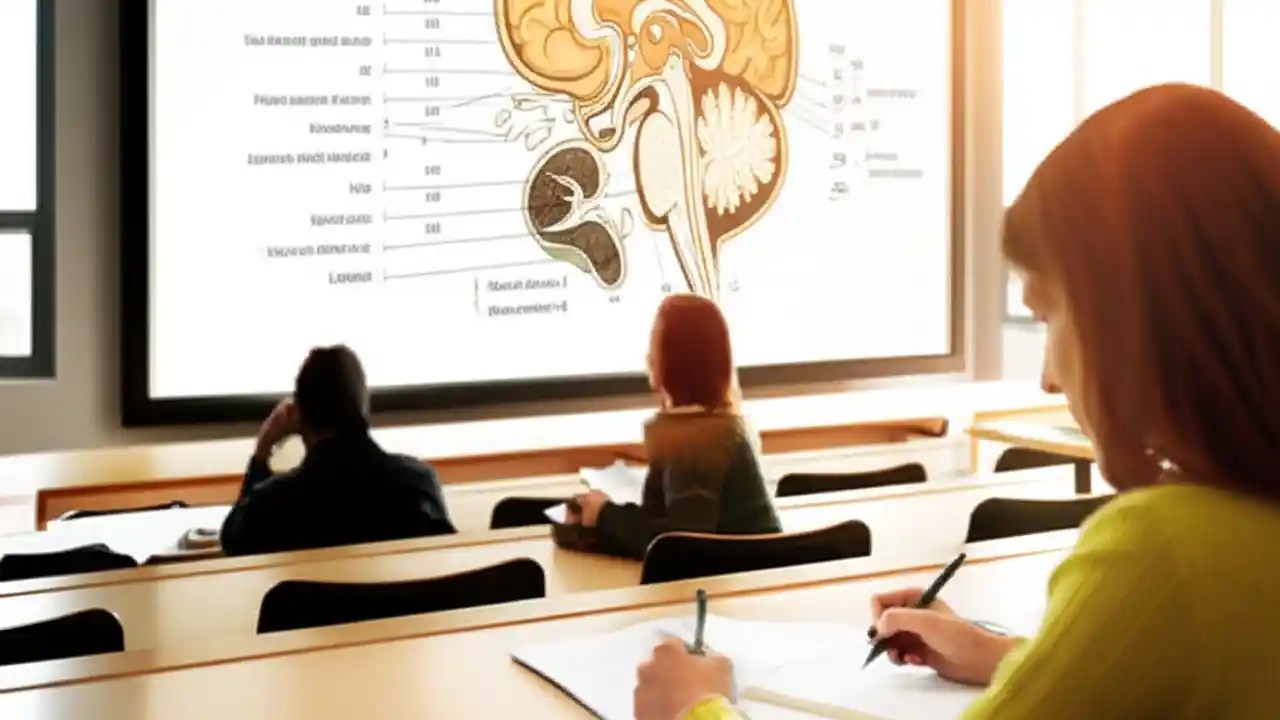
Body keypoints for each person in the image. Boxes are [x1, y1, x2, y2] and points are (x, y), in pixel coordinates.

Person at [633, 84, 1280, 719]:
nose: (1049, 378)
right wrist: (1010, 657)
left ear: (1133, 320)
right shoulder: (1247, 532)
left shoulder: (1162, 552)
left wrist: (693, 708)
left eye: (1048, 316)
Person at [564, 294, 781, 559]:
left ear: (667, 362)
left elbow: (683, 544)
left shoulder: (696, 441)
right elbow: (663, 524)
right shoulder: (719, 427)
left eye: (654, 346)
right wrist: (604, 518)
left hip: (740, 576)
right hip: (749, 571)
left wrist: (605, 514)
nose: (648, 356)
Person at [220, 345, 456, 556]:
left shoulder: (272, 503)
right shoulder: (417, 485)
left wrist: (262, 452)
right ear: (363, 405)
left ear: (300, 414)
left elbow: (234, 542)